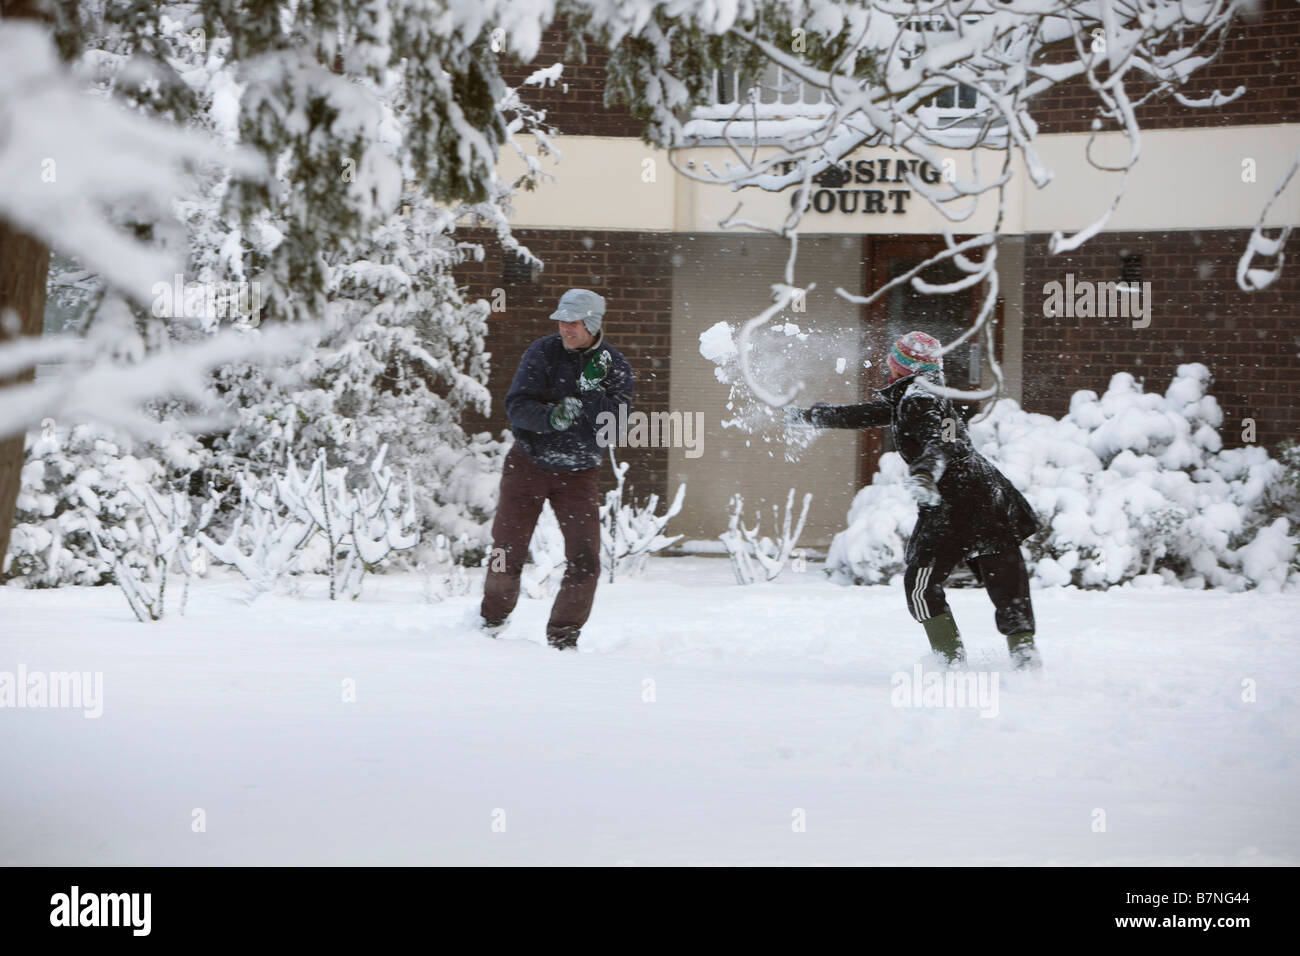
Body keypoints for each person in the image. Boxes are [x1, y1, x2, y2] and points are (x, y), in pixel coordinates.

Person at [785, 331, 1043, 669]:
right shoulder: (926, 393)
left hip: (954, 499)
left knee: (921, 583)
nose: (888, 368)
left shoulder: (918, 399)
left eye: (893, 362)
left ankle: (949, 662)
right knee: (1004, 576)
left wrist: (925, 471)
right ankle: (1025, 658)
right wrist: (814, 416)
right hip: (988, 493)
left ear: (901, 366)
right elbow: (874, 415)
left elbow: (939, 441)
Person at [478, 288, 634, 649]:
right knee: (507, 551)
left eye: (574, 323)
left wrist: (592, 391)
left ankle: (563, 638)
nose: (565, 329)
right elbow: (516, 407)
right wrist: (552, 417)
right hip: (528, 466)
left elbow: (612, 426)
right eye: (562, 321)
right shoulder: (542, 353)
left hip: (578, 475)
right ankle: (491, 622)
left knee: (585, 559)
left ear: (592, 323)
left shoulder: (615, 366)